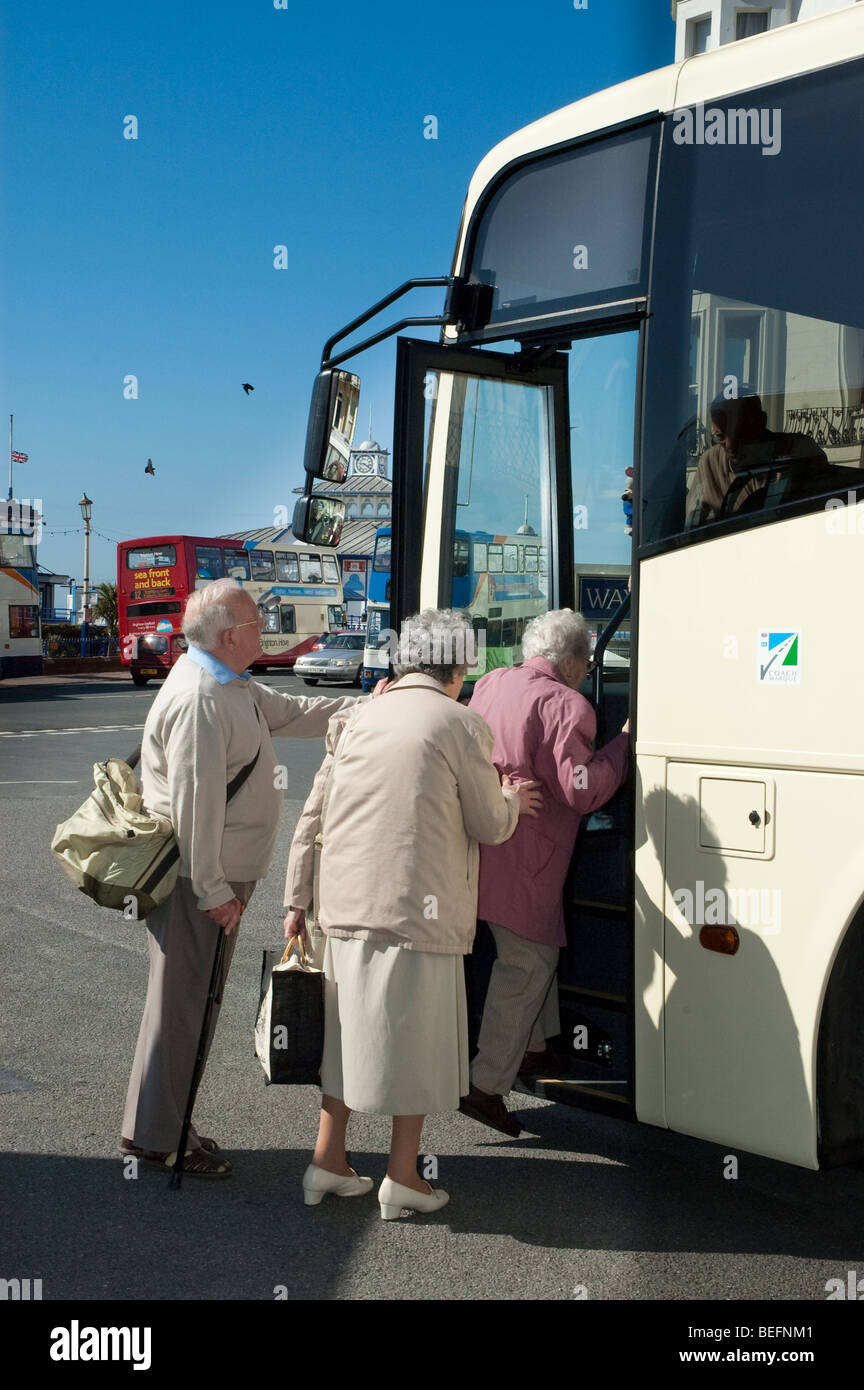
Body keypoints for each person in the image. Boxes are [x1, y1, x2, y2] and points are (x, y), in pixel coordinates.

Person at [282, 608, 542, 1218]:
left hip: (344, 905)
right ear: (455, 665)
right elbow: (487, 823)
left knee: (342, 1040)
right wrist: (512, 798)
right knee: (417, 1045)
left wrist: (297, 899)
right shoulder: (460, 724)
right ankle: (402, 1177)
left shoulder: (357, 717)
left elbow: (313, 814)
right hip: (417, 913)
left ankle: (327, 1162)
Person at [121, 579, 357, 1177]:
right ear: (230, 635)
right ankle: (160, 1137)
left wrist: (370, 703)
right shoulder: (203, 694)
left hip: (210, 877)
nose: (265, 629)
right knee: (185, 1006)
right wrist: (215, 893)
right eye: (257, 622)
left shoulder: (230, 682)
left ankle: (157, 1125)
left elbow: (298, 713)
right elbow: (195, 807)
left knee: (180, 1002)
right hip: (203, 881)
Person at [459, 608, 630, 1137]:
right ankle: (484, 1084)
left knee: (524, 952)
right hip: (528, 857)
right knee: (529, 963)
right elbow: (580, 789)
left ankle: (534, 1049)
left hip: (480, 844)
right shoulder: (568, 704)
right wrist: (622, 744)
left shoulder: (491, 682)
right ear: (577, 663)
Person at [685, 392, 829, 528]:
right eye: (720, 437)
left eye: (739, 433)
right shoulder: (710, 463)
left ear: (761, 422)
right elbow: (690, 527)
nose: (730, 445)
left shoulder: (799, 451)